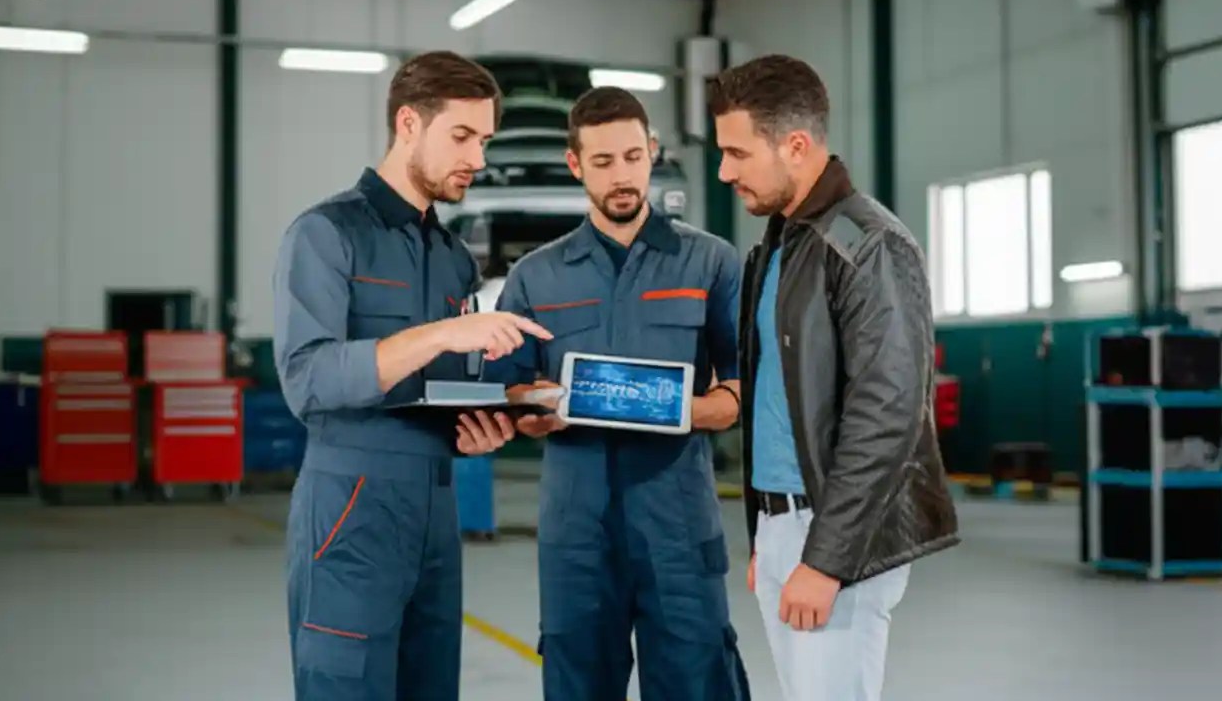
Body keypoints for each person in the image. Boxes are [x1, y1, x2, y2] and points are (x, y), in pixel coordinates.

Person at [272, 51, 552, 700]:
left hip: (435, 512)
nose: (478, 159)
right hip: (351, 511)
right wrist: (442, 333)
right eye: (462, 136)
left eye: (484, 140)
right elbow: (306, 378)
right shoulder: (324, 233)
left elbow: (443, 391)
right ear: (407, 123)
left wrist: (484, 423)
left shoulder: (453, 259)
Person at [486, 87, 752, 701]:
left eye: (633, 157)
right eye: (603, 162)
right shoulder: (535, 276)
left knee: (697, 683)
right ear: (576, 164)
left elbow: (740, 387)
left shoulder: (710, 262)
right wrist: (540, 412)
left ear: (652, 152)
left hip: (679, 527)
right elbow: (516, 397)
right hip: (577, 532)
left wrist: (681, 410)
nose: (622, 175)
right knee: (579, 685)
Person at [707, 54, 960, 700]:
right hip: (786, 524)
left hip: (837, 534)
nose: (723, 171)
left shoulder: (867, 243)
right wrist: (770, 526)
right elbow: (777, 402)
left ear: (794, 145)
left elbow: (888, 412)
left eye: (737, 153)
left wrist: (825, 559)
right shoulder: (785, 245)